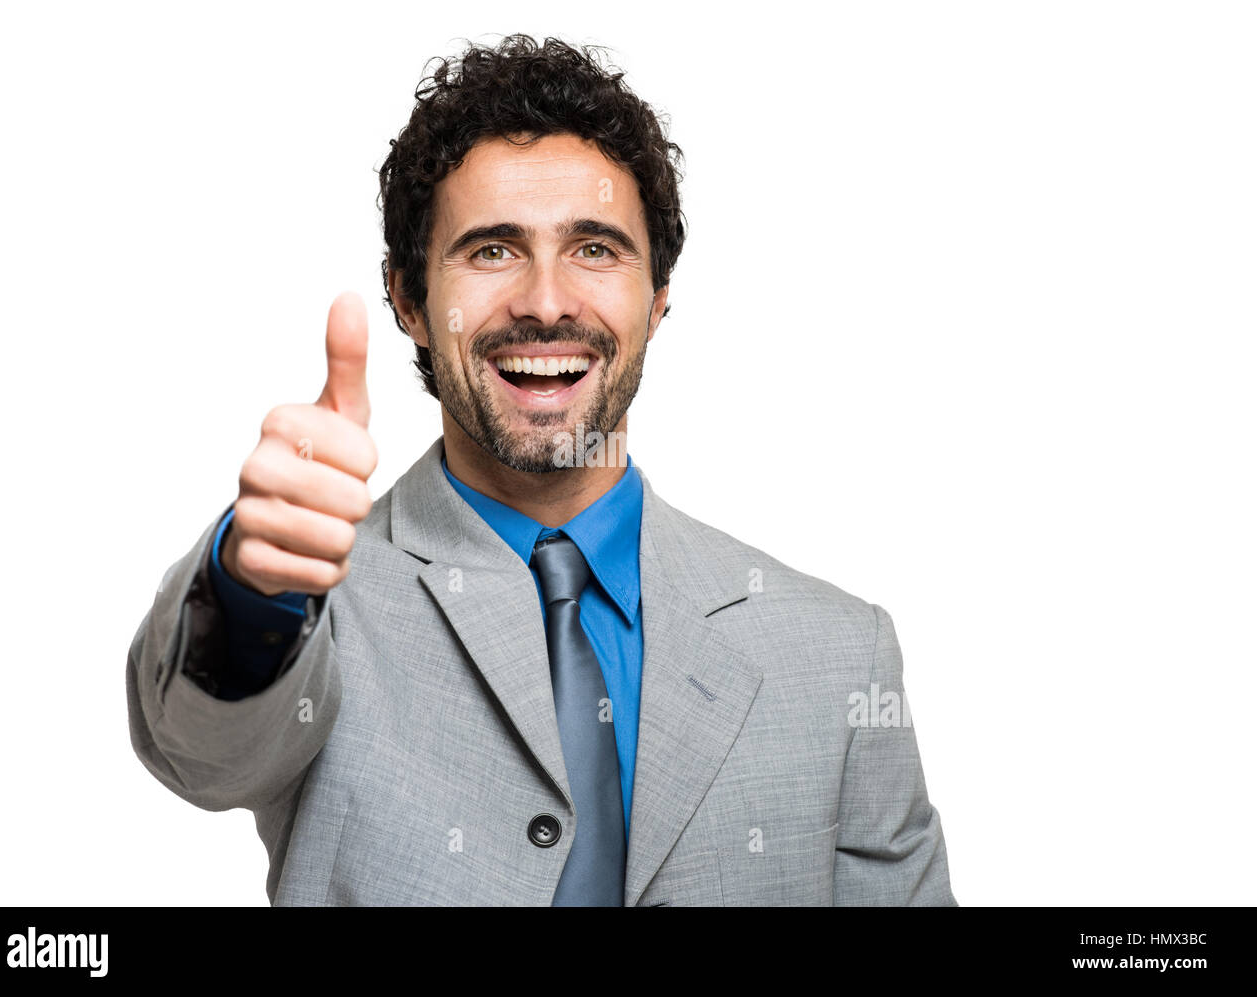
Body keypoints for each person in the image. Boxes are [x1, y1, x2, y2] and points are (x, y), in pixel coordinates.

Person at [126, 33, 957, 906]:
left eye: (595, 248)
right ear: (409, 299)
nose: (547, 300)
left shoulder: (838, 654)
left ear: (657, 301)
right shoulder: (318, 609)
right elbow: (201, 754)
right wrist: (253, 588)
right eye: (493, 250)